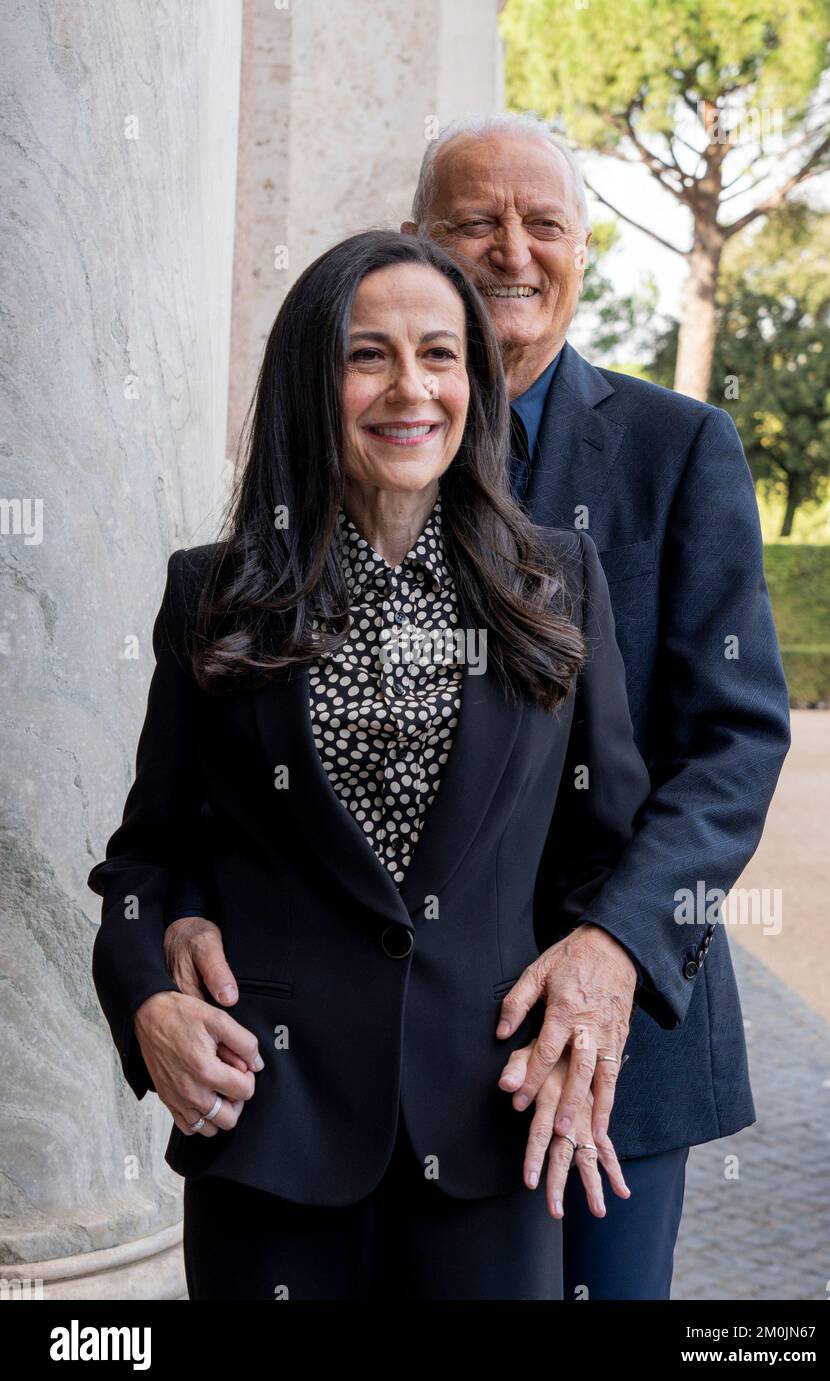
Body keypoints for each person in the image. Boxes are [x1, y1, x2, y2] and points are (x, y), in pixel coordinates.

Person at [165, 113, 791, 1300]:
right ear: (420, 247)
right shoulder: (333, 472)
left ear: (581, 251)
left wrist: (613, 947)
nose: (513, 249)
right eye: (475, 222)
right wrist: (179, 916)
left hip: (612, 1039)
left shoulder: (680, 448)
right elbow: (229, 780)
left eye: (543, 223)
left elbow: (734, 742)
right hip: (351, 1078)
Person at [87, 229, 653, 1301]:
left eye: (439, 355)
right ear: (312, 378)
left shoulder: (558, 583)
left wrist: (609, 956)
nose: (410, 388)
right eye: (366, 355)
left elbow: (607, 852)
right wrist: (145, 999)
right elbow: (145, 862)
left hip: (492, 1133)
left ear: (472, 383)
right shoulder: (210, 595)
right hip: (268, 1129)